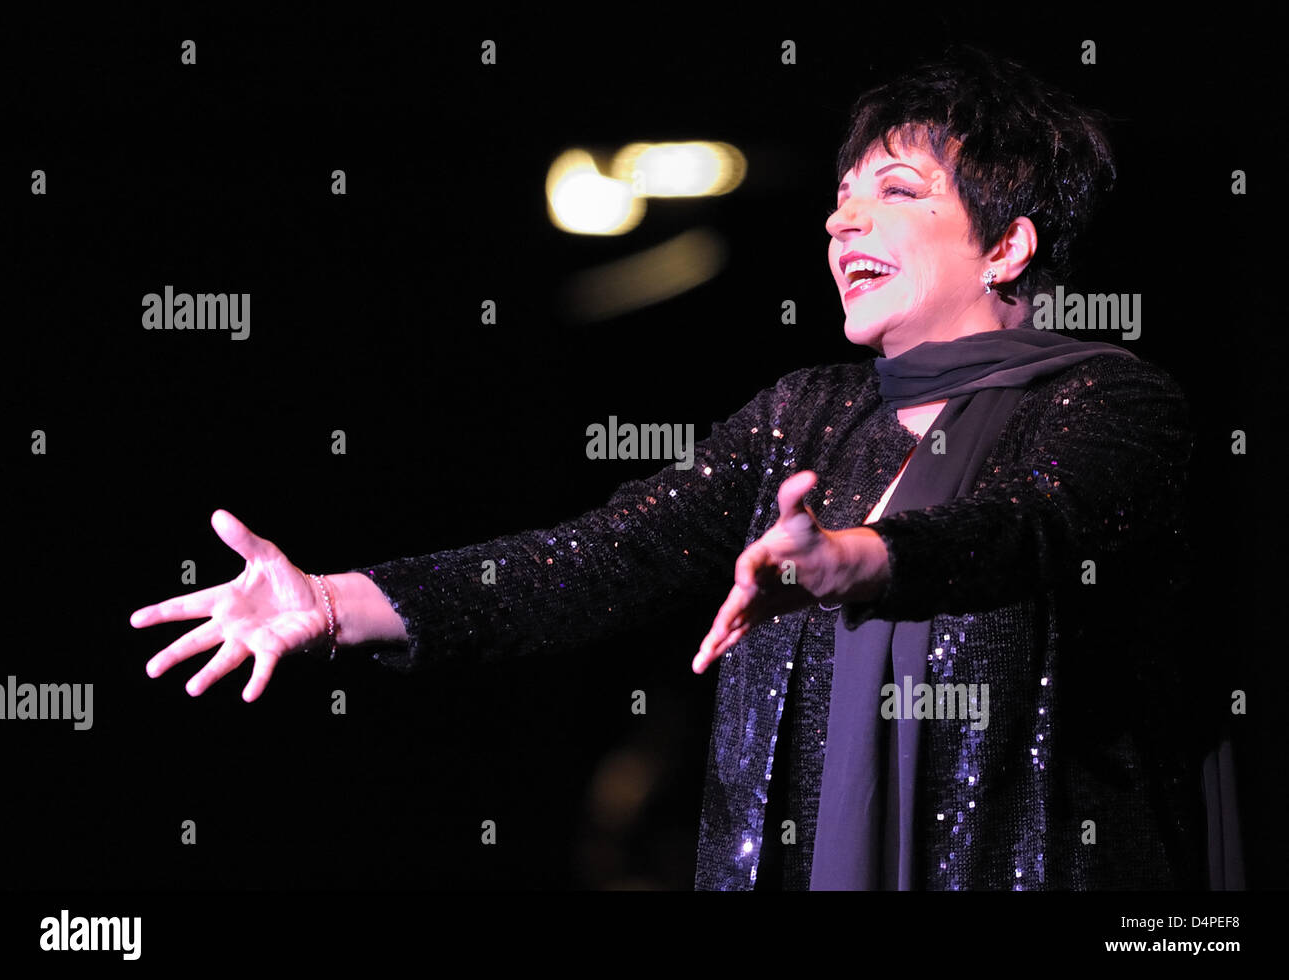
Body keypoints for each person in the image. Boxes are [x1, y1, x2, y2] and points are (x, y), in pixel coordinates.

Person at [131, 45, 1222, 890]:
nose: (842, 217)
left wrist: (855, 556)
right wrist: (332, 602)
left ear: (1006, 245)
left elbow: (1027, 530)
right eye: (839, 193)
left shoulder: (1112, 400)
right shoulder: (805, 412)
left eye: (893, 189)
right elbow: (596, 556)